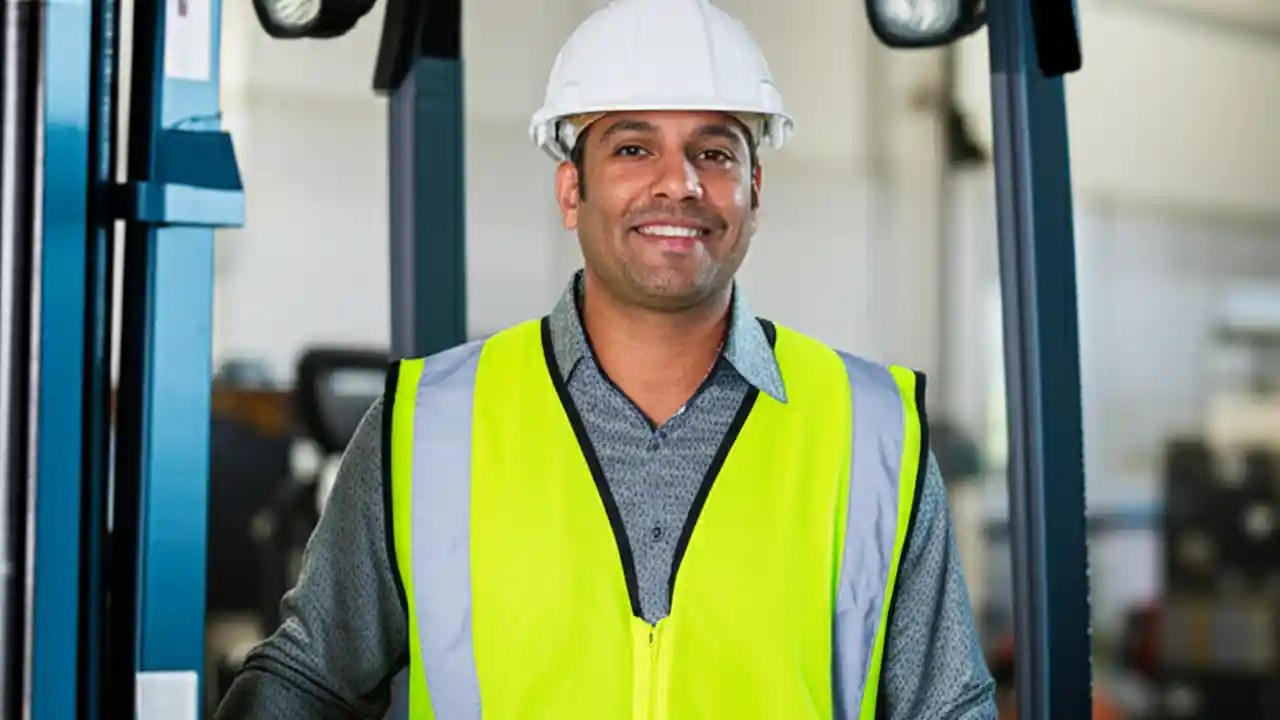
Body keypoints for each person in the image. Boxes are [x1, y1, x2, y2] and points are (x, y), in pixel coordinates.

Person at [216, 0, 995, 717]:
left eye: (715, 152)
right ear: (570, 191)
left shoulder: (870, 432)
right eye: (632, 147)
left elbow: (947, 706)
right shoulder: (427, 428)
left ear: (755, 191)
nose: (680, 183)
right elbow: (308, 680)